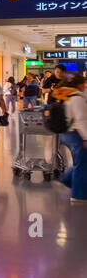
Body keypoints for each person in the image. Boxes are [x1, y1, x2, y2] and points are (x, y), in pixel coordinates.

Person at [53, 74, 87, 205]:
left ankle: (66, 180)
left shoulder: (63, 94)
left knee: (81, 161)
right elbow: (81, 120)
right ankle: (78, 196)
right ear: (78, 84)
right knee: (82, 163)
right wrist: (85, 138)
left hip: (65, 132)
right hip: (76, 134)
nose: (85, 86)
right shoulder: (77, 98)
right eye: (83, 84)